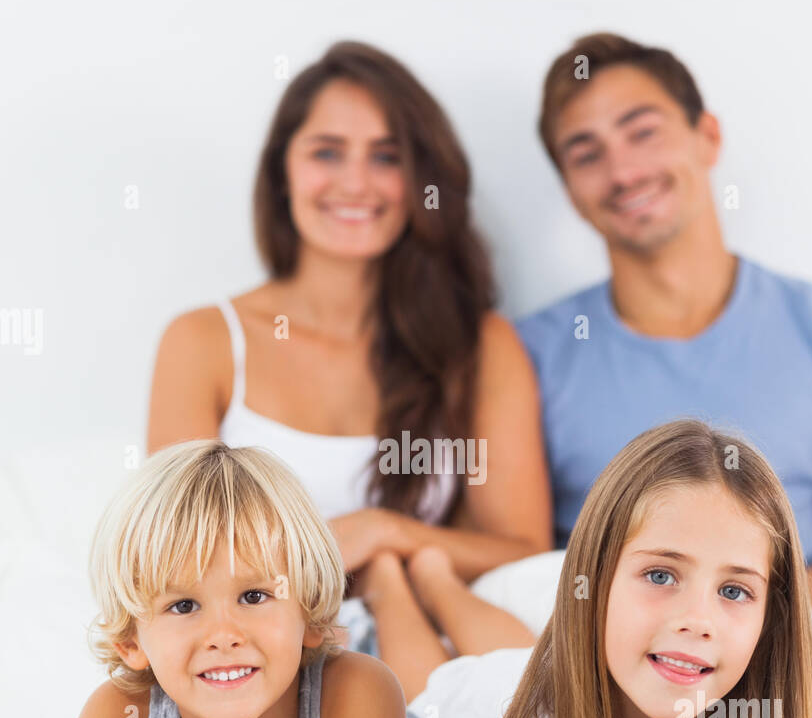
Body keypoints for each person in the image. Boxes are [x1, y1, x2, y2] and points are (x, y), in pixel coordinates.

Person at [146, 41, 553, 651]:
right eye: (327, 152)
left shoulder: (479, 344)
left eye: (386, 156)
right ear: (283, 172)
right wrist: (340, 547)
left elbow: (523, 550)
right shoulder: (203, 341)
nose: (355, 182)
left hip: (423, 639)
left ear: (421, 180)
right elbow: (177, 550)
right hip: (250, 648)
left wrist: (383, 533)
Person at [518, 33, 812, 627]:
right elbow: (520, 569)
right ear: (571, 192)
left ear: (708, 136)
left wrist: (729, 626)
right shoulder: (527, 353)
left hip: (803, 666)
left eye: (643, 130)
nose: (623, 170)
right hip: (609, 679)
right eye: (585, 152)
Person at [394, 421, 812, 718]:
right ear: (594, 578)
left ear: (771, 617)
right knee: (464, 674)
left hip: (527, 664)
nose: (698, 620)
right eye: (660, 575)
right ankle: (401, 580)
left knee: (520, 655)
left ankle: (435, 577)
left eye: (734, 590)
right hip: (458, 707)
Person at [15, 442, 416, 718]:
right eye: (184, 606)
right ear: (131, 643)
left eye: (254, 596)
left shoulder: (356, 695)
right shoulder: (126, 715)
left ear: (312, 613)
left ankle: (400, 582)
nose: (224, 636)